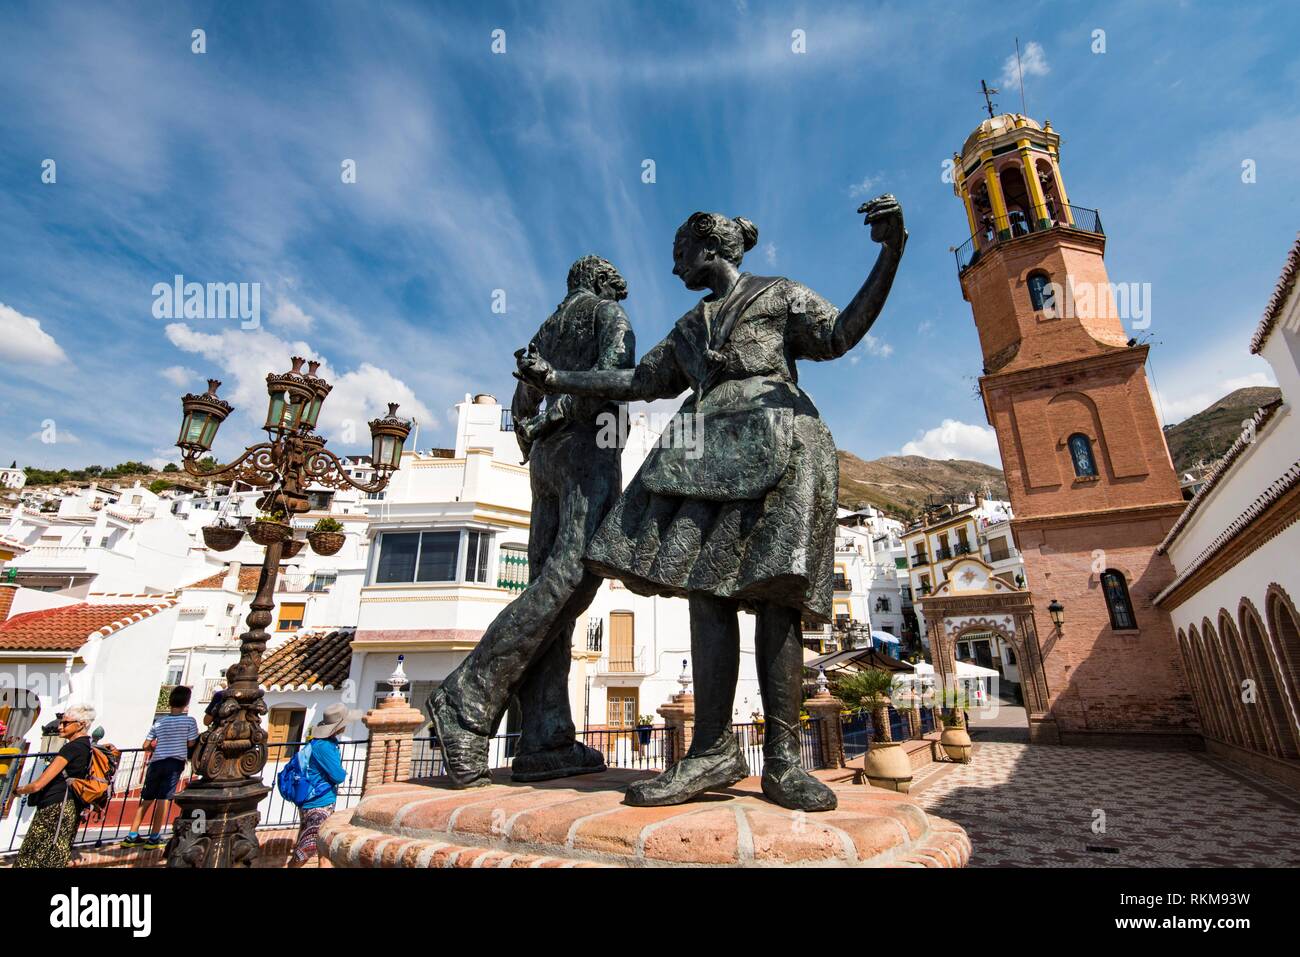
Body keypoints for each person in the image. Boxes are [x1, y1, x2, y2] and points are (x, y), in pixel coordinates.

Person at [516, 196, 906, 811]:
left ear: (709, 248)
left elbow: (837, 335)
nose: (673, 269)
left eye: (678, 255)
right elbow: (639, 383)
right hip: (704, 450)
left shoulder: (778, 295)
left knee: (777, 599)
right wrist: (558, 381)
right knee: (707, 591)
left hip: (782, 440)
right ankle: (711, 750)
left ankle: (782, 761)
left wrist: (891, 252)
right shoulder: (690, 328)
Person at [427, 255, 635, 787]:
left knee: (551, 582)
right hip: (590, 448)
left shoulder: (543, 331)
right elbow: (616, 377)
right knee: (575, 576)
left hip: (544, 460)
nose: (621, 288)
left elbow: (522, 404)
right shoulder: (607, 316)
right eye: (614, 280)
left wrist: (539, 433)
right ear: (597, 280)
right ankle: (467, 698)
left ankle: (545, 735)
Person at [12, 704, 96, 867]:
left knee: (32, 856)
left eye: (65, 723)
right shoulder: (88, 747)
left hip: (54, 807)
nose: (60, 726)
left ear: (81, 724)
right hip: (71, 807)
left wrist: (19, 790)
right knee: (56, 853)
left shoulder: (71, 748)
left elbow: (38, 785)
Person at [123, 685, 198, 849]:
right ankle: (154, 837)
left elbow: (145, 745)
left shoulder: (160, 721)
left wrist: (158, 748)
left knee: (147, 798)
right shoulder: (189, 721)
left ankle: (131, 835)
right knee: (164, 799)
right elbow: (192, 742)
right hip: (174, 762)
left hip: (156, 762)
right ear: (186, 703)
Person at [287, 703, 349, 868]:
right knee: (306, 849)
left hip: (318, 800)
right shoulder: (324, 747)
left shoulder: (324, 743)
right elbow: (338, 775)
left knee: (324, 850)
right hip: (318, 804)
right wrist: (342, 772)